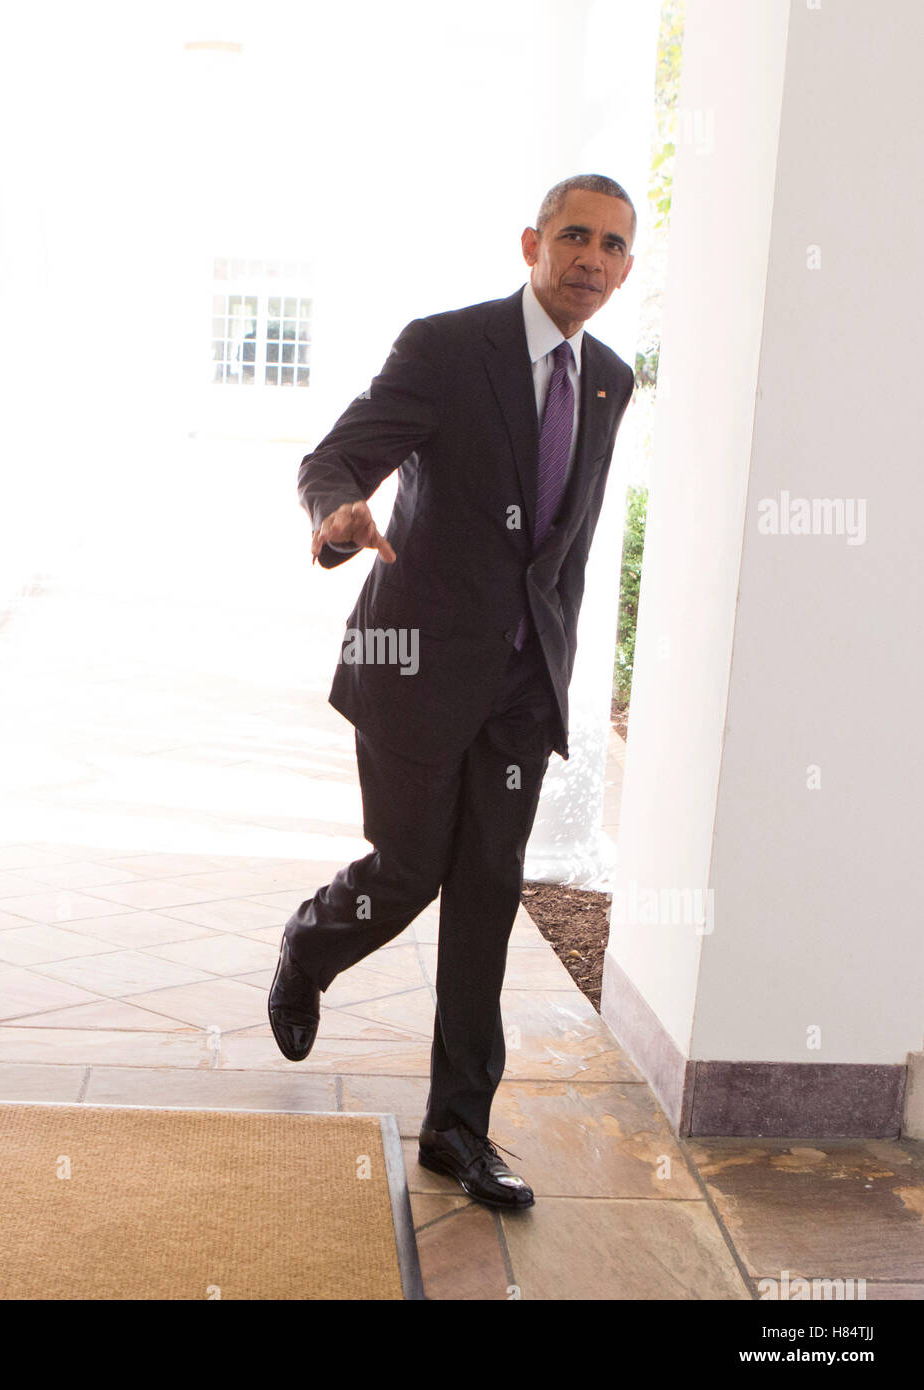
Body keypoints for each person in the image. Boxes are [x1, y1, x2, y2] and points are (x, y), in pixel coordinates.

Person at [269, 174, 636, 1209]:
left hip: (520, 688)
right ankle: (311, 940)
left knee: (486, 891)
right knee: (410, 867)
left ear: (623, 266)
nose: (589, 259)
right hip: (414, 663)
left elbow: (563, 545)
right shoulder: (445, 346)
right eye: (573, 236)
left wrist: (555, 664)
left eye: (611, 245)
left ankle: (457, 1130)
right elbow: (336, 455)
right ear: (531, 242)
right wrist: (340, 512)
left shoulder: (607, 377)